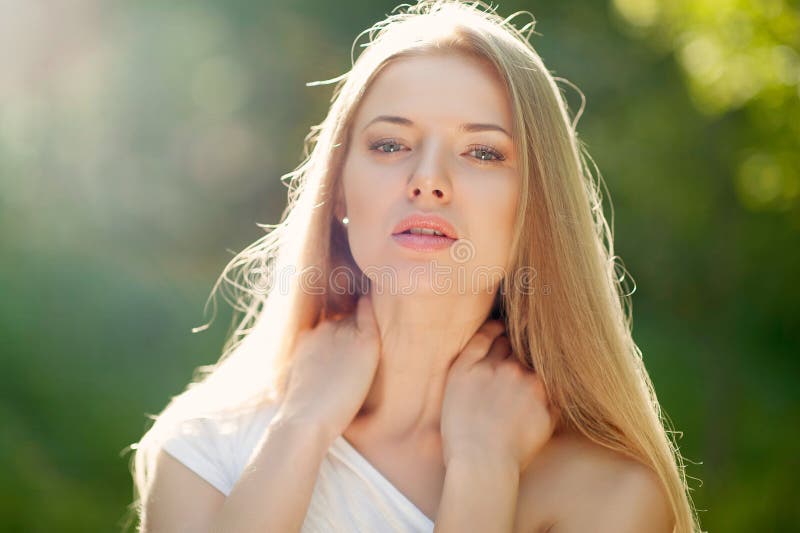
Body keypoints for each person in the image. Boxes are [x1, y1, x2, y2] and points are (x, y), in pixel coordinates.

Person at [125, 1, 703, 531]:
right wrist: (299, 431)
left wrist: (484, 469)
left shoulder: (607, 497)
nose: (428, 179)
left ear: (537, 207)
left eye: (482, 152)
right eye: (390, 145)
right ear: (341, 191)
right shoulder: (205, 446)